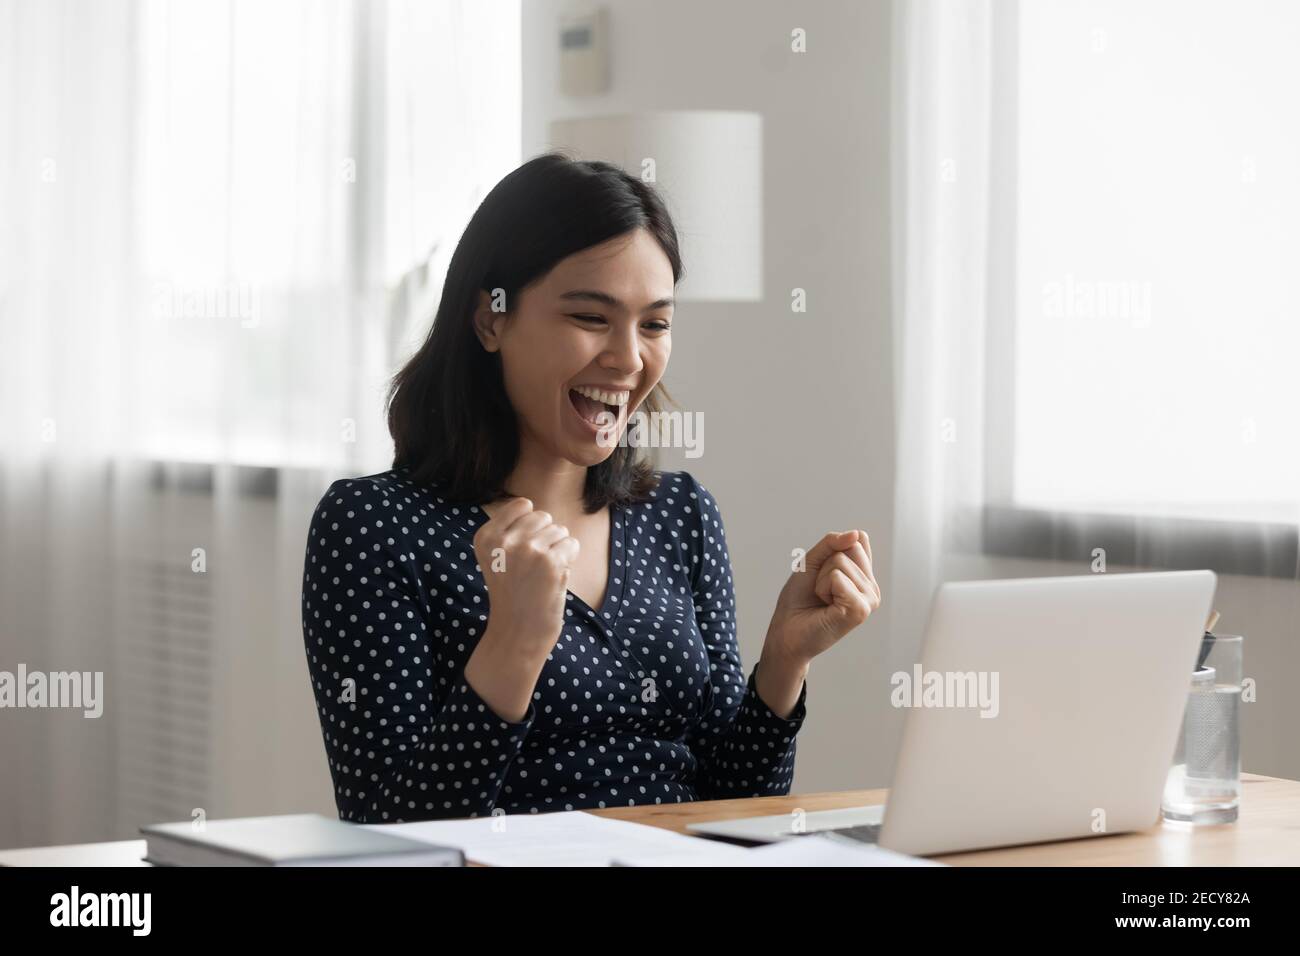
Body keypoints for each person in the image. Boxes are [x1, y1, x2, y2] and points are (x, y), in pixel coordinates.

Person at [301, 152, 881, 822]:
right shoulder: (373, 527)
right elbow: (386, 837)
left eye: (655, 324)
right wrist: (513, 645)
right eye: (589, 317)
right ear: (491, 319)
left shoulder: (680, 513)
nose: (629, 358)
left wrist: (783, 660)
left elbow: (734, 804)